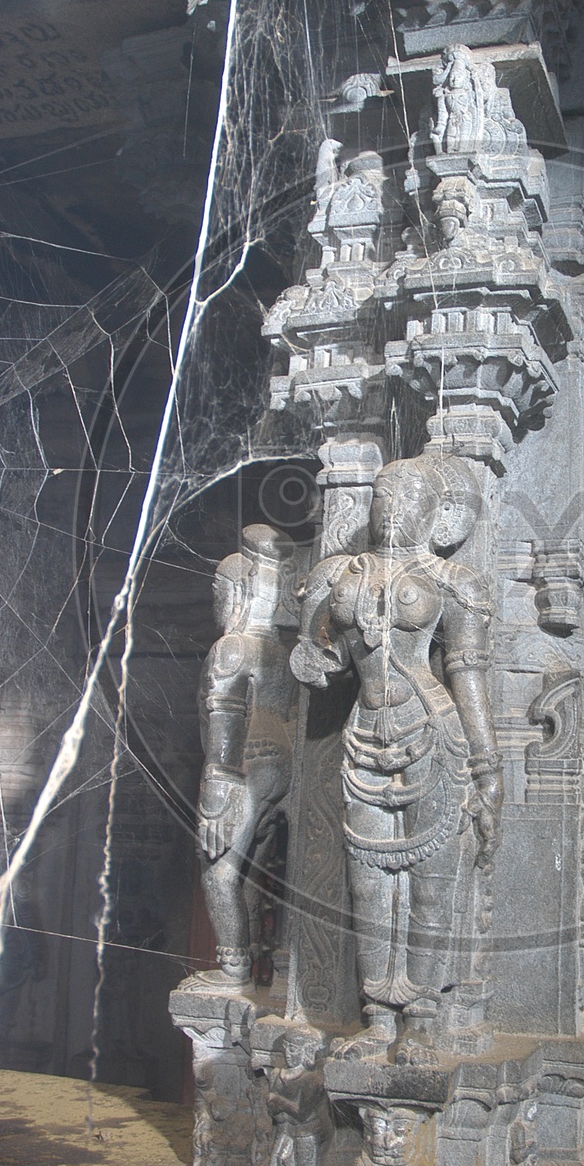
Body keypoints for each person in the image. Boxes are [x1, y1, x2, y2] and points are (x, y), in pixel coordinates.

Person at [292, 453, 500, 1063]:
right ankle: (379, 1013)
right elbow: (319, 659)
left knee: (431, 880)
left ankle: (424, 1017)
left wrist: (488, 767)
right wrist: (312, 655)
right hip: (365, 734)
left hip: (433, 732)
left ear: (435, 513)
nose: (393, 509)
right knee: (370, 880)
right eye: (384, 497)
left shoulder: (454, 584)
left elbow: (468, 676)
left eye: (409, 499)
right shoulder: (338, 576)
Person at [196, 524, 296, 987]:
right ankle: (275, 972)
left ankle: (234, 968)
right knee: (256, 871)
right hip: (285, 764)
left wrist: (218, 792)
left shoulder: (231, 649)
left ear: (236, 592)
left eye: (219, 588)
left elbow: (226, 725)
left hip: (246, 764)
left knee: (220, 873)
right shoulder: (280, 648)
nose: (215, 600)